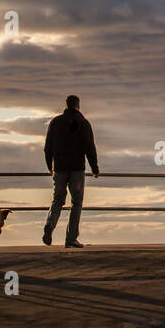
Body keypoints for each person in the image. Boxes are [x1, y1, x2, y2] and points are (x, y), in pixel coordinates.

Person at [42, 95, 99, 247]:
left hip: (60, 168)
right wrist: (95, 168)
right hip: (77, 168)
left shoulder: (55, 122)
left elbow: (48, 147)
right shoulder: (83, 123)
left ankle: (50, 224)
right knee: (76, 202)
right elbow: (90, 147)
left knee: (58, 200)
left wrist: (50, 166)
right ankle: (71, 238)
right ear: (78, 106)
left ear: (66, 105)